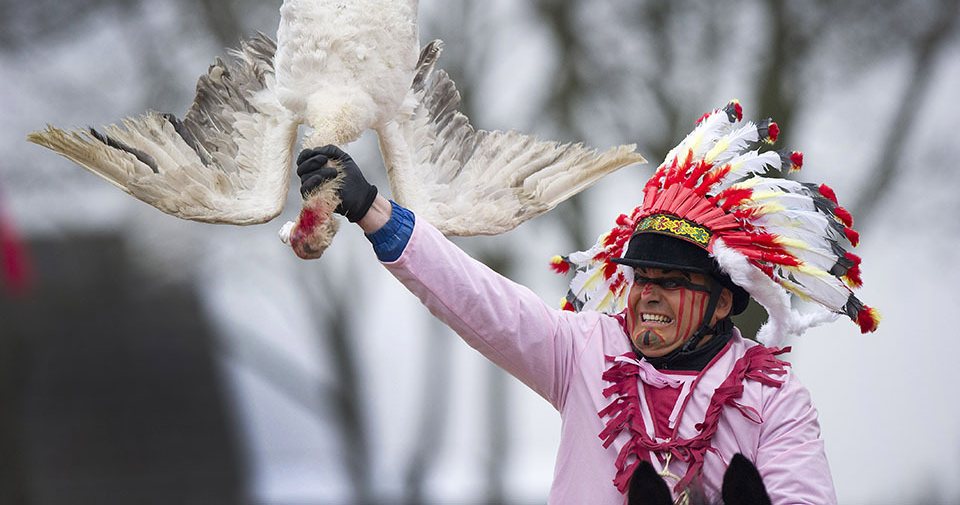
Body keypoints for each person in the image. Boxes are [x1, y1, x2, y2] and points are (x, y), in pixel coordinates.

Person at [296, 102, 878, 504]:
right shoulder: (586, 350)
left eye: (671, 280)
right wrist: (375, 211)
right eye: (641, 275)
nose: (648, 292)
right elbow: (479, 301)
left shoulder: (772, 396)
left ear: (724, 302)